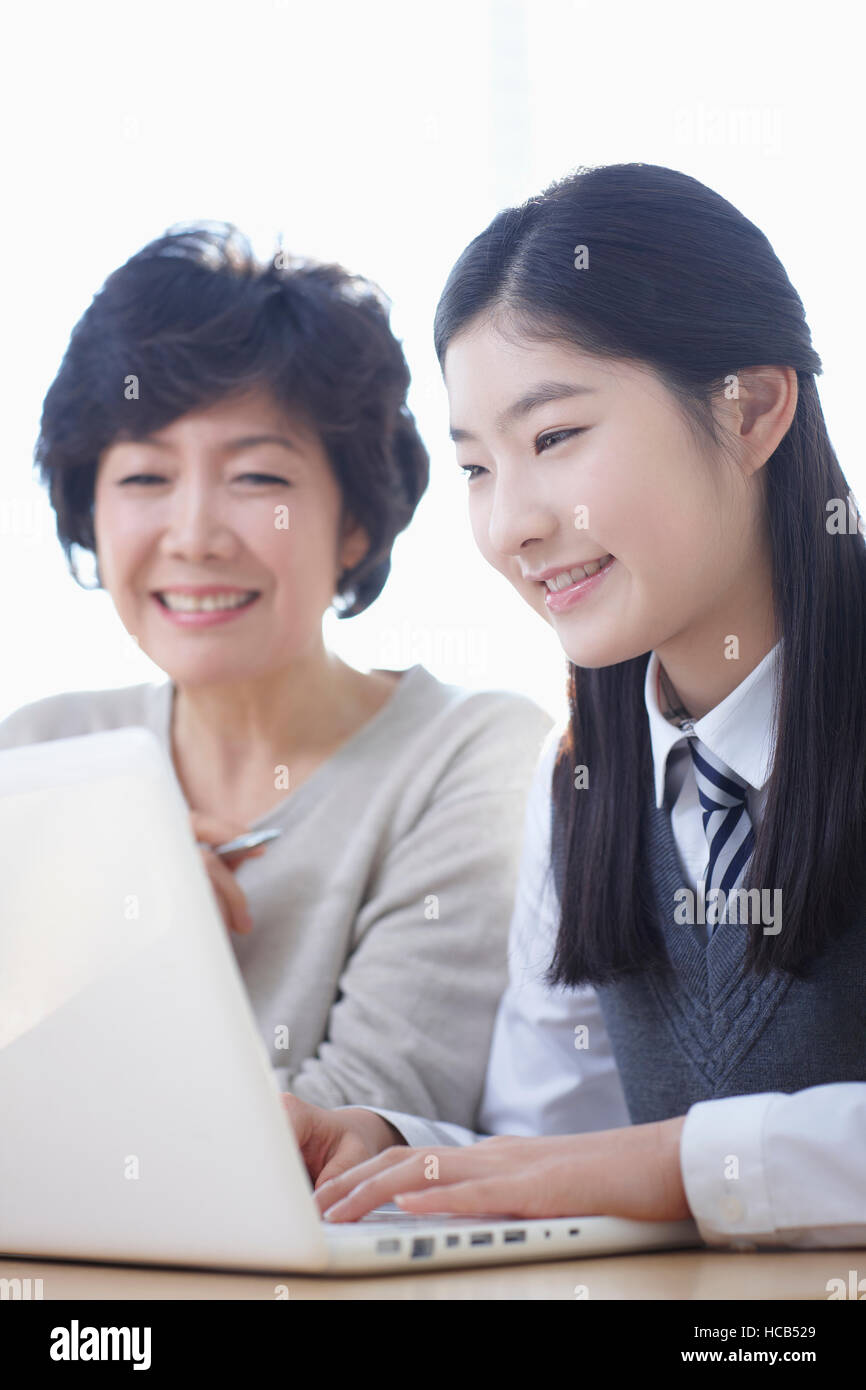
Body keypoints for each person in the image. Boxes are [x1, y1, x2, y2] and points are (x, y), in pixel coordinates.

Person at [280, 163, 866, 1250]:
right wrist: (394, 1148)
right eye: (474, 467)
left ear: (751, 408)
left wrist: (675, 1158)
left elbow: (634, 1162)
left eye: (552, 439)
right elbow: (557, 1137)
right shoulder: (585, 785)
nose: (510, 526)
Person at [0, 223, 553, 1125]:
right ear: (87, 512)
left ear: (356, 524)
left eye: (257, 478)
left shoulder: (472, 757)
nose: (194, 535)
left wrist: (135, 969)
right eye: (143, 478)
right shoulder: (39, 754)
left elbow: (354, 1137)